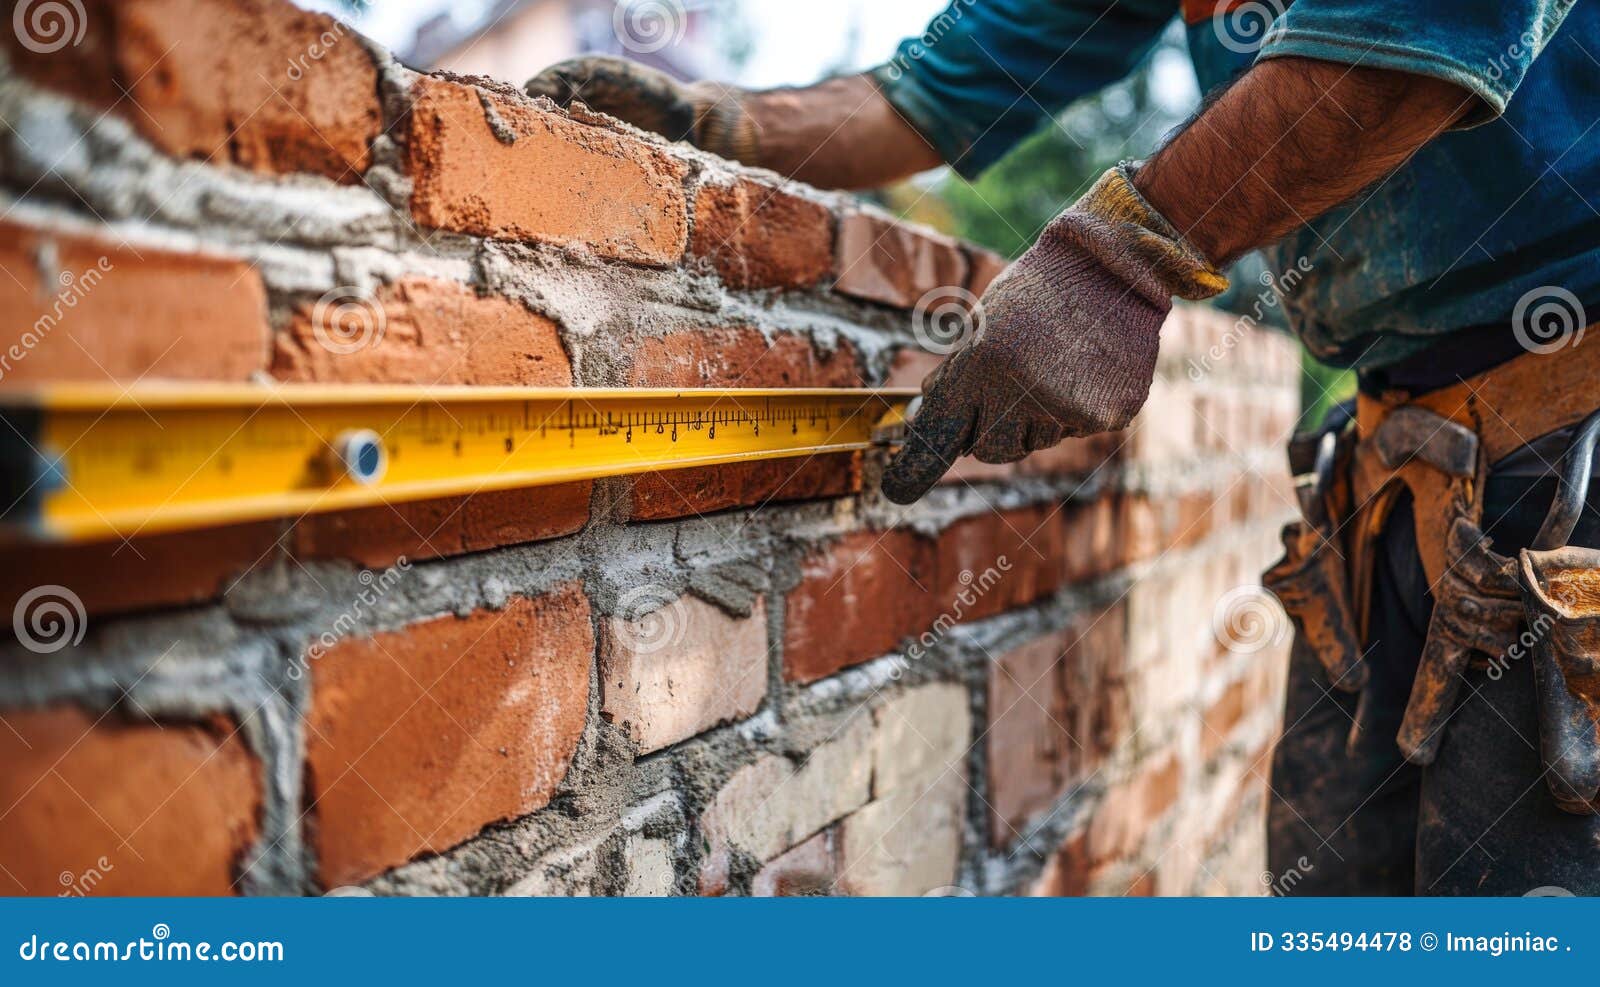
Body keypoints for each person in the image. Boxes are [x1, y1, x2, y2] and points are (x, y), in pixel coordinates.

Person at [528, 1, 1600, 895]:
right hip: (1404, 477)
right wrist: (722, 122)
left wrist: (1121, 258)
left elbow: (1426, 36)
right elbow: (930, 92)